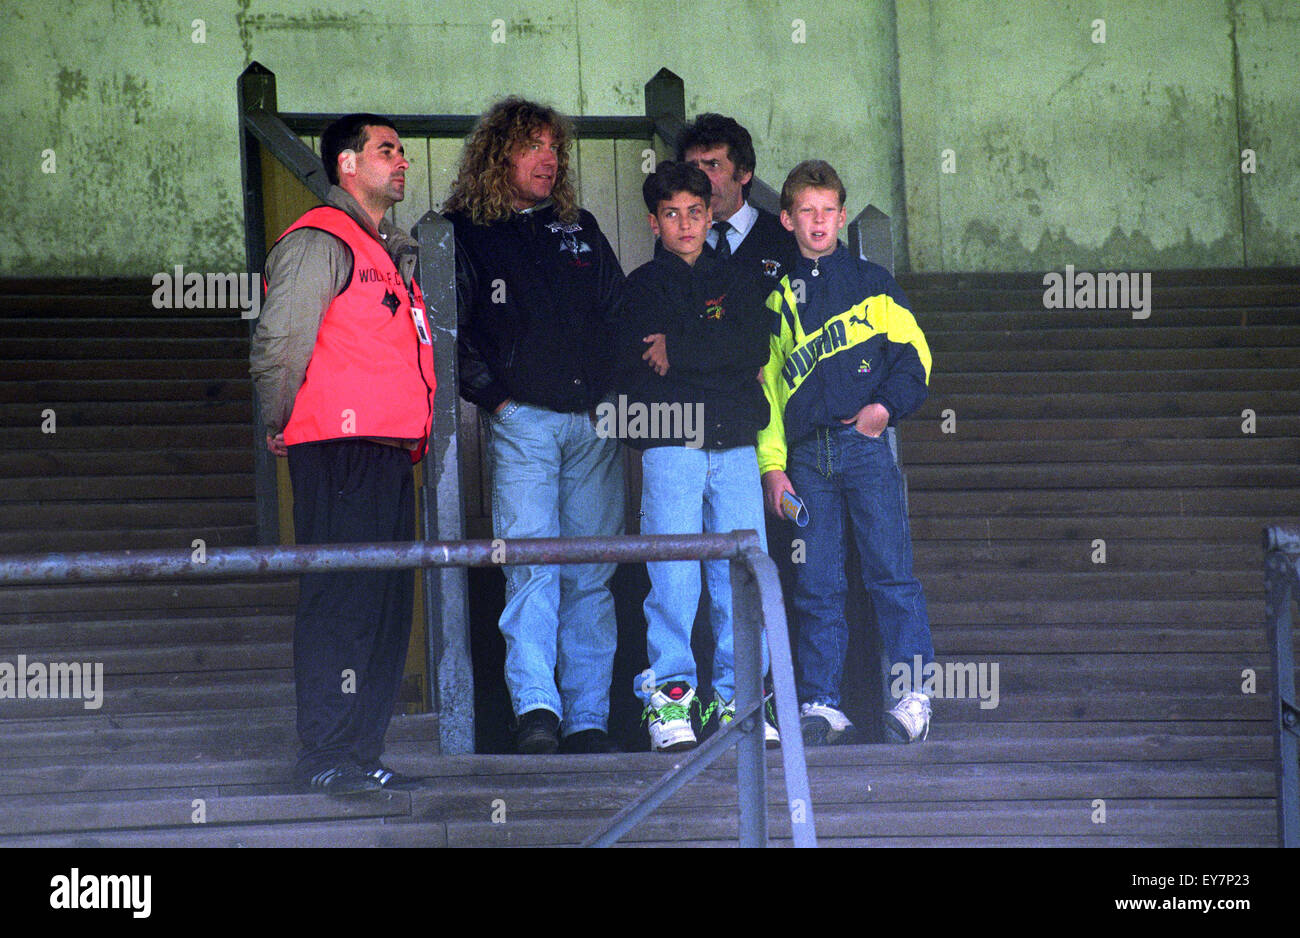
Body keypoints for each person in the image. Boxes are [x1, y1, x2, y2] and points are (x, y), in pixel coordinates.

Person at [250, 113, 436, 793]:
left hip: (387, 451)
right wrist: (280, 416)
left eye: (402, 151)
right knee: (342, 601)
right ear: (348, 165)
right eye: (387, 150)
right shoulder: (320, 238)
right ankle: (325, 754)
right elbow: (279, 341)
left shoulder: (386, 248)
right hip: (339, 445)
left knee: (387, 606)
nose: (403, 161)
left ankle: (361, 752)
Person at [443, 97, 625, 755]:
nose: (548, 159)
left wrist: (610, 397)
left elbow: (620, 315)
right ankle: (536, 713)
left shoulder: (580, 227)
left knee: (591, 574)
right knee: (529, 569)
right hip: (522, 424)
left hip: (593, 426)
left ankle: (588, 720)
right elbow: (448, 333)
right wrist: (498, 402)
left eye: (554, 147)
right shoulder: (463, 231)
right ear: (500, 155)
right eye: (533, 146)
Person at [757, 160, 936, 745]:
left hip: (864, 447)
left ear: (841, 215)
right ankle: (821, 703)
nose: (818, 221)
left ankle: (913, 697)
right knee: (817, 582)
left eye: (828, 210)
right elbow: (769, 393)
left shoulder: (876, 282)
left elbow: (918, 358)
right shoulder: (776, 296)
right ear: (786, 218)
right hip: (807, 457)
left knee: (891, 573)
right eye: (806, 211)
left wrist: (884, 410)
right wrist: (774, 466)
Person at [614, 161, 779, 751]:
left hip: (735, 445)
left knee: (739, 578)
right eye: (671, 214)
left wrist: (680, 349)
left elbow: (752, 344)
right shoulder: (638, 288)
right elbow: (642, 369)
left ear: (711, 216)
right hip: (671, 445)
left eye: (695, 212)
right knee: (673, 580)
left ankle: (740, 704)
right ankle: (672, 703)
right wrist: (717, 358)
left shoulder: (736, 278)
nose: (685, 224)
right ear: (653, 222)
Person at [677, 113, 799, 292]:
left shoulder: (785, 238)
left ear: (744, 173)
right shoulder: (675, 239)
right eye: (692, 168)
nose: (700, 179)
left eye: (713, 165)